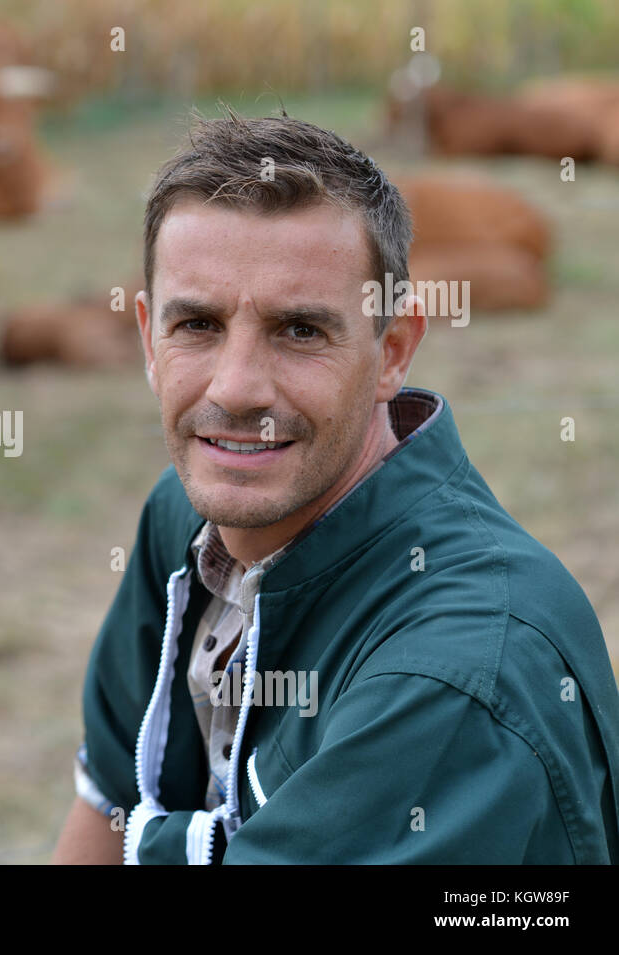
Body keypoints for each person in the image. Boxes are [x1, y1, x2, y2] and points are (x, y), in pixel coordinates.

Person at [51, 109, 619, 864]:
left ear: (392, 351)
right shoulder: (184, 519)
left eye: (300, 330)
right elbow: (107, 810)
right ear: (148, 339)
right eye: (197, 325)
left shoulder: (460, 679)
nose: (238, 387)